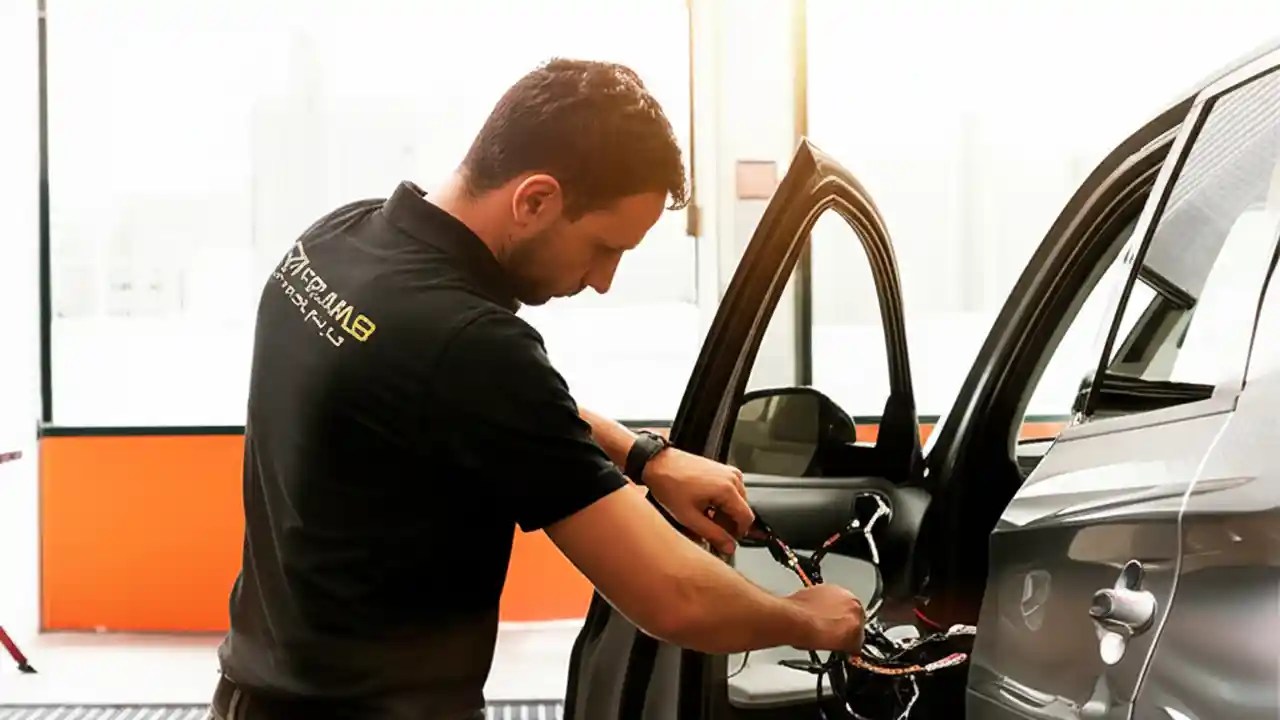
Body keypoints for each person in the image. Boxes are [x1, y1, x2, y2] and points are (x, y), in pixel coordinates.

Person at [208, 58, 865, 720]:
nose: (603, 279)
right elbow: (673, 596)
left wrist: (647, 459)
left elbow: (463, 403)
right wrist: (803, 618)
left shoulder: (338, 240)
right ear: (535, 199)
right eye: (605, 247)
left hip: (251, 694)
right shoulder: (474, 347)